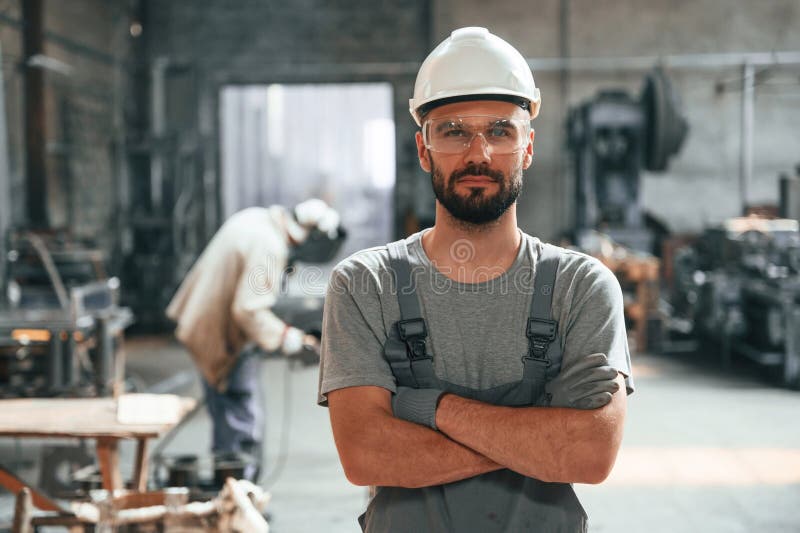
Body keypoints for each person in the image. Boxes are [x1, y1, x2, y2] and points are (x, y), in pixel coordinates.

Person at [318, 27, 634, 532]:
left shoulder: (583, 286)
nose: (479, 154)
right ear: (424, 150)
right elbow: (365, 454)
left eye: (501, 131)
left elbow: (591, 454)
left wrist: (428, 408)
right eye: (454, 131)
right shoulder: (364, 285)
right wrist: (540, 443)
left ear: (527, 147)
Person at [167, 198, 345, 482]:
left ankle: (227, 490)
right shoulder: (269, 245)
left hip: (206, 321)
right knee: (241, 414)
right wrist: (288, 338)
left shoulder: (258, 219)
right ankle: (238, 494)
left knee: (226, 412)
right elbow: (248, 309)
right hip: (219, 333)